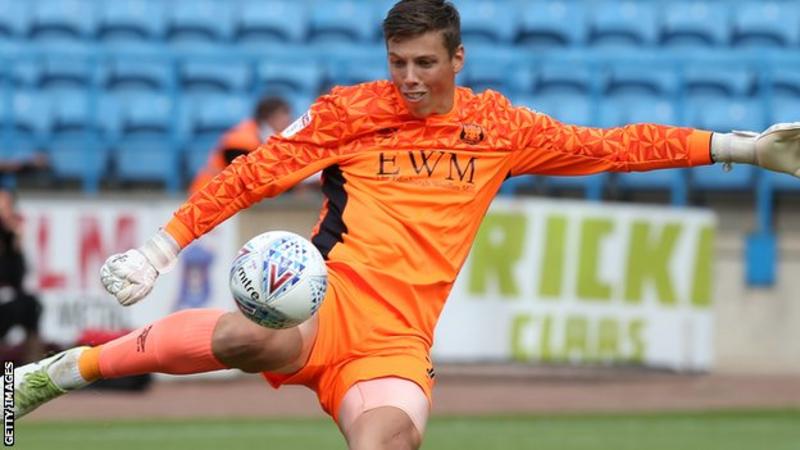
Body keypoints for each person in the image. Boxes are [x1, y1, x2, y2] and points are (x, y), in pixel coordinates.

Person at [13, 1, 800, 449]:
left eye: (425, 63)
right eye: (399, 63)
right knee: (251, 338)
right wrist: (163, 245)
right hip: (326, 303)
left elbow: (613, 148)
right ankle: (46, 379)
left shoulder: (501, 129)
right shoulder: (349, 111)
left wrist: (741, 147)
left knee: (387, 442)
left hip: (397, 340)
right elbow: (254, 172)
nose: (410, 79)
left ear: (457, 58)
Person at [188, 96, 293, 194]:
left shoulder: (264, 136)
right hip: (208, 194)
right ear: (270, 117)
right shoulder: (242, 138)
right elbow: (247, 176)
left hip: (225, 195)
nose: (289, 120)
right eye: (284, 115)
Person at [0, 188, 44, 363]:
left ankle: (33, 371)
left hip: (10, 293)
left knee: (32, 306)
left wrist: (13, 233)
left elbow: (18, 270)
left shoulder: (13, 232)